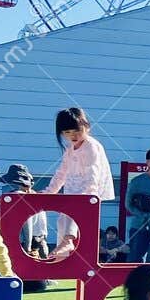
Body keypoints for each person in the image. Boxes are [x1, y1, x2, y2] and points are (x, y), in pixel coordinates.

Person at [47, 106, 114, 258]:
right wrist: (49, 192)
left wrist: (87, 195)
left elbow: (93, 173)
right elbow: (61, 172)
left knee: (72, 212)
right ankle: (61, 255)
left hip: (87, 193)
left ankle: (68, 241)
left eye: (76, 130)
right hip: (73, 191)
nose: (72, 135)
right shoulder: (70, 149)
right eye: (67, 132)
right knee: (62, 219)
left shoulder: (91, 146)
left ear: (86, 127)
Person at [0, 165, 44, 259]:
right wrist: (30, 247)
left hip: (8, 242)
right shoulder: (33, 198)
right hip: (28, 243)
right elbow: (38, 228)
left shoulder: (1, 193)